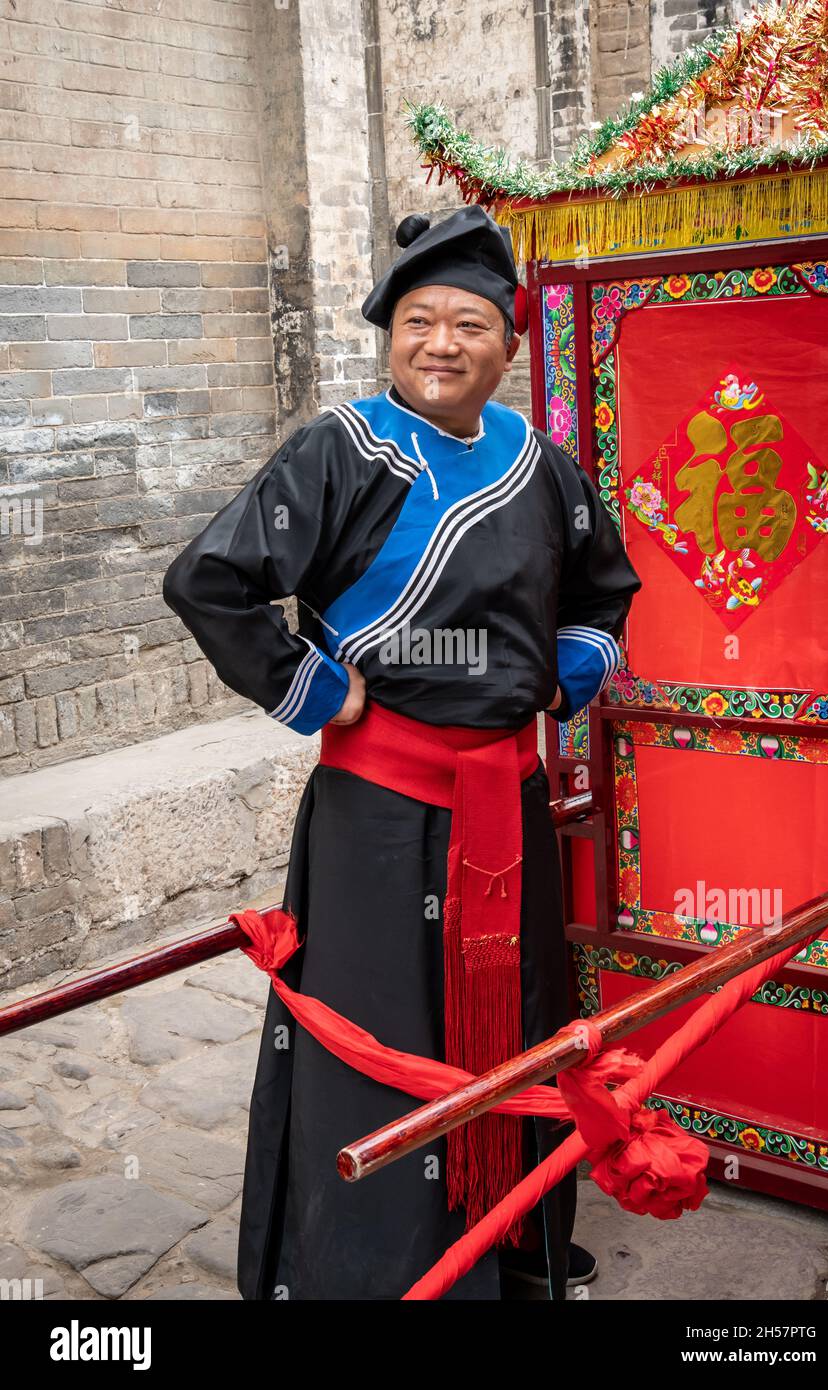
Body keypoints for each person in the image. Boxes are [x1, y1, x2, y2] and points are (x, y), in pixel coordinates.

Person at [162, 205, 642, 1300]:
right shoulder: (339, 451)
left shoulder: (543, 467)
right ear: (388, 335)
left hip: (507, 803)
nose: (440, 343)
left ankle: (510, 1243)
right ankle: (376, 1271)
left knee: (520, 1024)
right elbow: (208, 580)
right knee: (378, 1043)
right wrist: (314, 686)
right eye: (417, 320)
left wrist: (567, 670)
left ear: (507, 346)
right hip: (378, 813)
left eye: (467, 323)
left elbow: (602, 587)